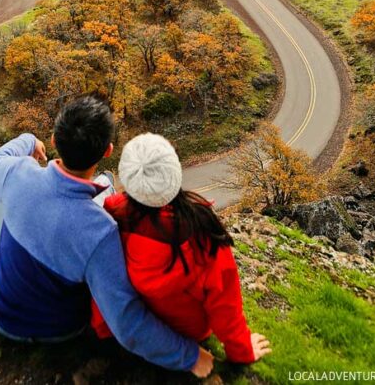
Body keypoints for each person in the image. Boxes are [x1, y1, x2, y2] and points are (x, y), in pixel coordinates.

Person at [0, 96, 213, 377]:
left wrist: (29, 140)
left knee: (2, 187)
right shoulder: (101, 231)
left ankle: (97, 186)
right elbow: (126, 321)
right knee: (104, 186)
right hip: (56, 331)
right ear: (108, 150)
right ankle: (104, 185)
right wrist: (189, 356)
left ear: (54, 140)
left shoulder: (18, 172)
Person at [91, 132, 272, 366]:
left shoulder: (114, 216)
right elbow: (225, 306)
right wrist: (242, 350)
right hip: (191, 332)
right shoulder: (202, 234)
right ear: (174, 175)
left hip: (142, 321)